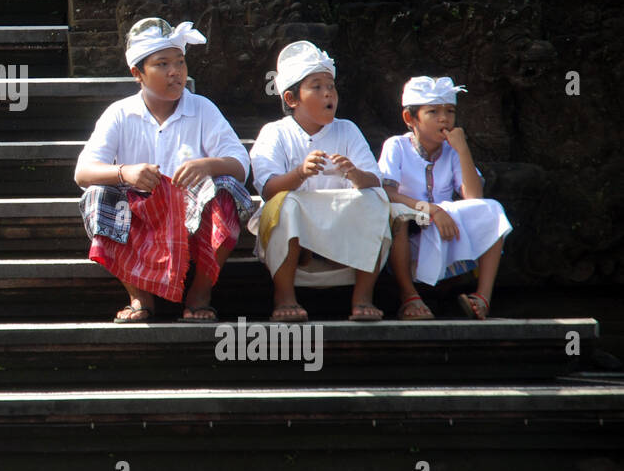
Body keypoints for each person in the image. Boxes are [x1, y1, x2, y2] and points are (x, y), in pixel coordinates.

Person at [75, 17, 253, 323]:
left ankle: (200, 293)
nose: (175, 72)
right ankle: (138, 298)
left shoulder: (202, 109)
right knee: (96, 195)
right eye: (162, 64)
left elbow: (240, 165)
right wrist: (125, 173)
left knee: (227, 189)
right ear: (138, 73)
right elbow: (82, 172)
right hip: (141, 216)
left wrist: (206, 165)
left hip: (191, 214)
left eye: (180, 62)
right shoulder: (119, 113)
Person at [248, 40, 392, 322]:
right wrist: (300, 173)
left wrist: (354, 174)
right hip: (295, 225)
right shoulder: (274, 133)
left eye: (331, 86)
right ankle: (285, 297)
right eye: (317, 87)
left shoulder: (347, 129)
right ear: (292, 99)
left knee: (376, 199)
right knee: (285, 204)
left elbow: (373, 179)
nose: (329, 94)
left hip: (341, 225)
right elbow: (267, 190)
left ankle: (363, 297)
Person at [378, 76, 512, 320]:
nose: (444, 119)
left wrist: (462, 149)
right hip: (410, 229)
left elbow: (474, 199)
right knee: (397, 217)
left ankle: (482, 298)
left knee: (492, 209)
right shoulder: (396, 146)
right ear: (410, 118)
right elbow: (387, 193)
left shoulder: (452, 151)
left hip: (444, 231)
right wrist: (431, 210)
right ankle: (410, 298)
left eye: (450, 111)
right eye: (433, 112)